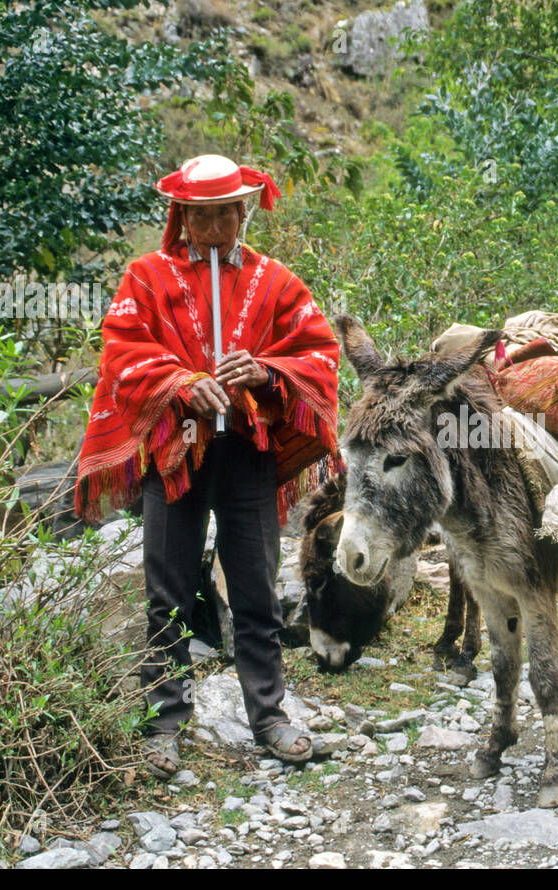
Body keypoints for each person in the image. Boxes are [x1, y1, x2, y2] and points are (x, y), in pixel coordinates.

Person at [73, 154, 342, 778]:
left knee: (255, 587)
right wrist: (179, 384)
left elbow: (319, 353)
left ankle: (270, 717)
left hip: (248, 452)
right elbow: (122, 353)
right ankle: (163, 723)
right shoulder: (147, 278)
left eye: (227, 213)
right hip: (174, 455)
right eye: (203, 215)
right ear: (182, 217)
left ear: (244, 212)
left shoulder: (276, 282)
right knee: (167, 591)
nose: (216, 226)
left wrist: (268, 373)